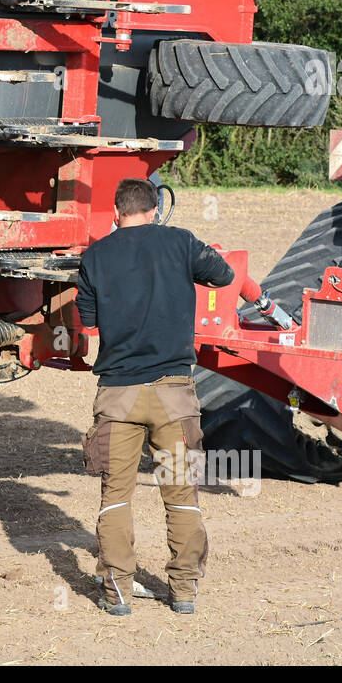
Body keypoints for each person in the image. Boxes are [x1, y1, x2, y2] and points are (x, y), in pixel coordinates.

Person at [75, 177, 235, 616]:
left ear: (116, 213)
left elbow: (87, 320)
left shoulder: (95, 255)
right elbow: (223, 275)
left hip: (118, 396)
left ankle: (118, 594)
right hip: (173, 396)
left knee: (116, 497)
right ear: (155, 210)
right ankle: (183, 591)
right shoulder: (180, 242)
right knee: (181, 493)